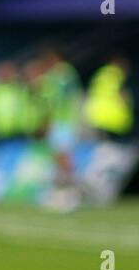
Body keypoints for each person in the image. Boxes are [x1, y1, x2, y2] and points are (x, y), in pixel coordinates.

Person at [34, 49, 83, 208]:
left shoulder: (65, 73)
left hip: (65, 122)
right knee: (58, 158)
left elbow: (70, 98)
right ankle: (61, 193)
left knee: (64, 157)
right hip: (57, 122)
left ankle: (71, 194)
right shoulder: (53, 76)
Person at [83, 56, 133, 141]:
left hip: (95, 117)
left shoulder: (100, 74)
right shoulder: (116, 74)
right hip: (110, 122)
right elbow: (122, 96)